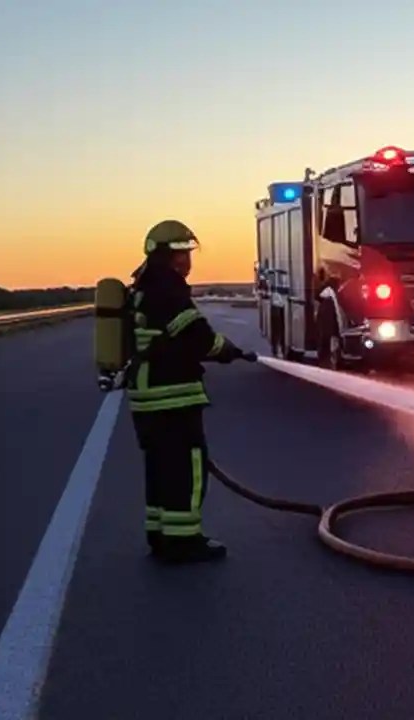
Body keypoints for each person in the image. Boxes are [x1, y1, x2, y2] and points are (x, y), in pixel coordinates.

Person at [127, 219, 251, 564]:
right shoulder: (169, 289)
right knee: (186, 468)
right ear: (166, 255)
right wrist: (226, 350)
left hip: (147, 393)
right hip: (173, 394)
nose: (187, 259)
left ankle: (160, 534)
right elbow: (198, 338)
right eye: (181, 252)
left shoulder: (142, 287)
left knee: (160, 467)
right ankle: (184, 541)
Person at [269, 268, 287, 357]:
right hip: (279, 305)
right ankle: (278, 348)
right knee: (279, 328)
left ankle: (276, 348)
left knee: (277, 328)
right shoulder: (281, 283)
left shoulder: (272, 281)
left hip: (276, 305)